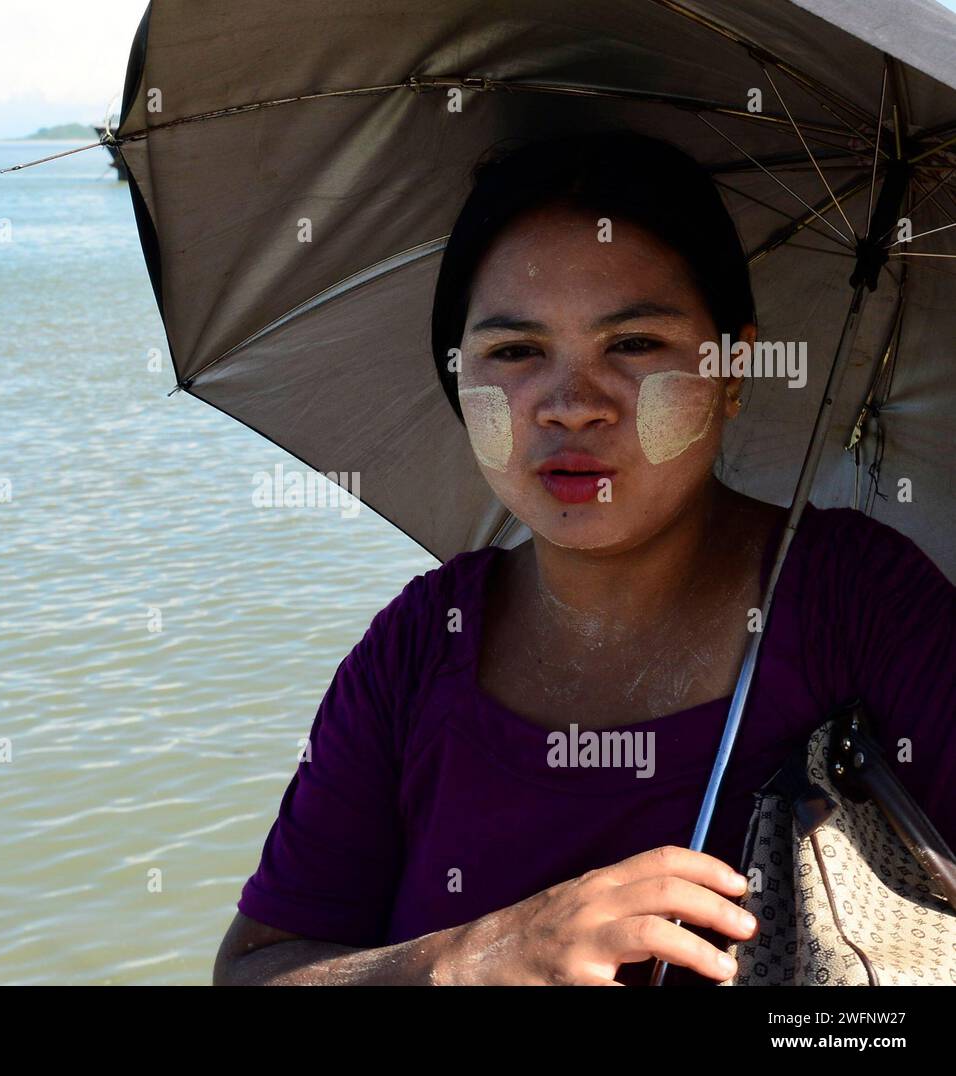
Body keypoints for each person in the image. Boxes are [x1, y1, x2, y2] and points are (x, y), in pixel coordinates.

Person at [212, 131, 956, 986]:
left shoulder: (865, 608)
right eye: (516, 352)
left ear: (733, 367)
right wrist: (469, 963)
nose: (570, 406)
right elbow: (255, 969)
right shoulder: (418, 647)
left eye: (634, 344)